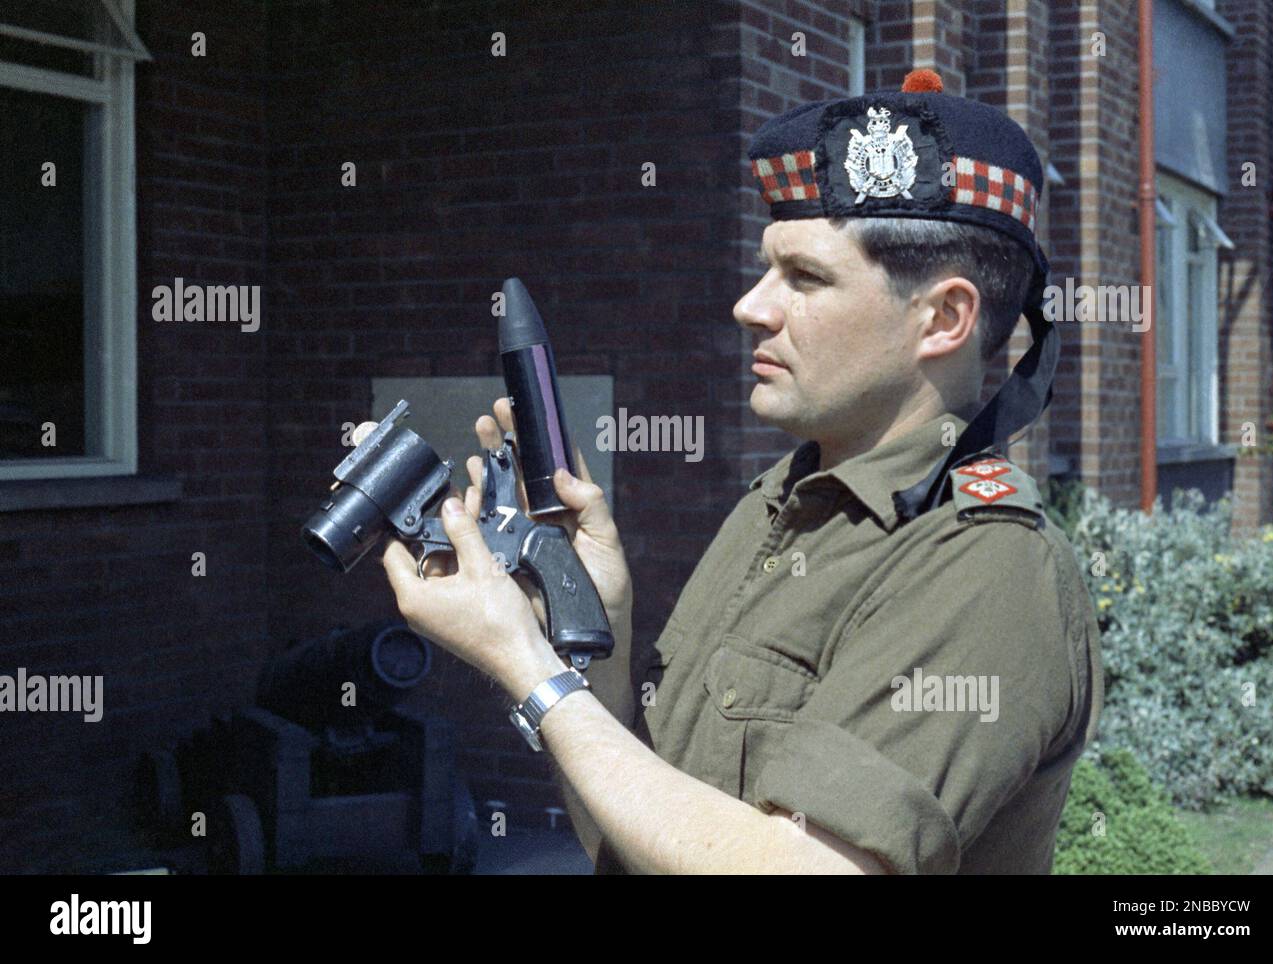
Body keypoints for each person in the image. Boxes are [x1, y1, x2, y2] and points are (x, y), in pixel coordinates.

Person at [372, 69, 1104, 874]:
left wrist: (525, 665)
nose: (751, 306)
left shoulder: (987, 564)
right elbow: (629, 834)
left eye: (806, 278)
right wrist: (588, 634)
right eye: (766, 269)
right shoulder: (780, 506)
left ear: (944, 318)